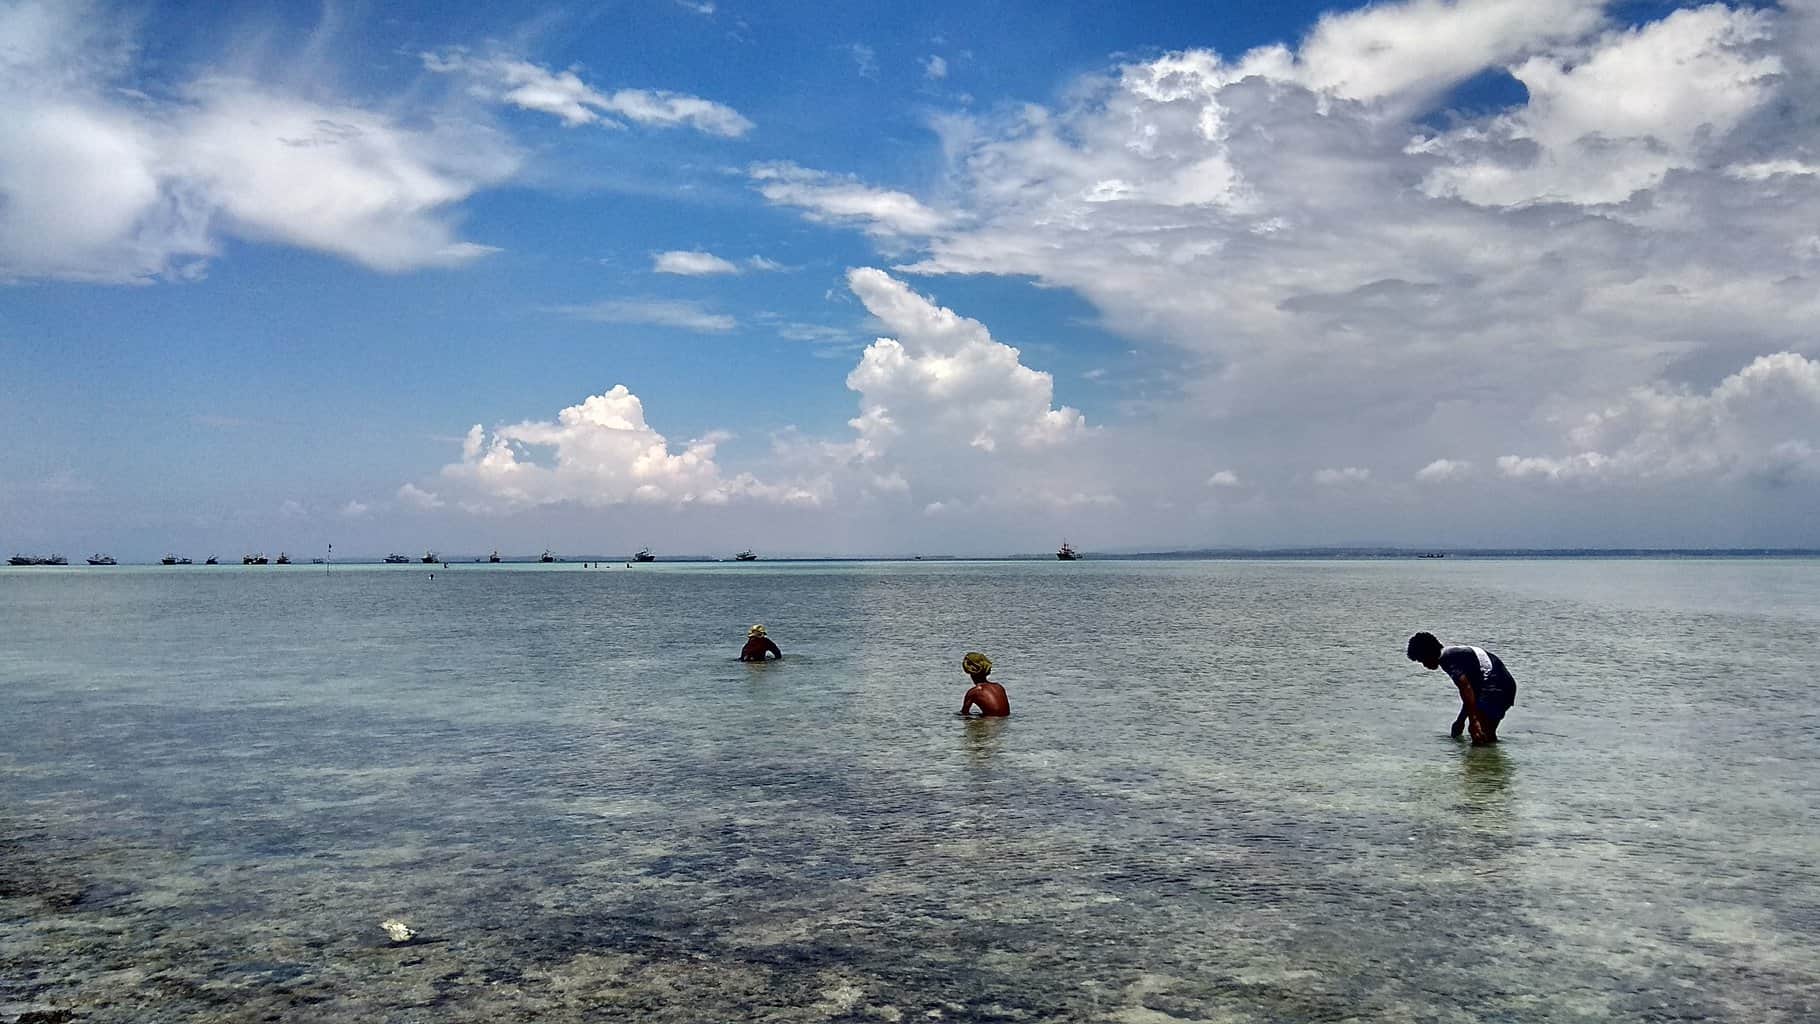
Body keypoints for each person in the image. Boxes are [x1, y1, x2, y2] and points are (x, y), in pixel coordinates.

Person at [1406, 631, 1517, 744]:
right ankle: (1488, 758)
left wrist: (1473, 721)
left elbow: (1466, 689)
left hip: (1496, 687)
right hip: (1505, 686)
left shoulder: (1447, 659)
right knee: (1487, 735)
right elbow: (1472, 693)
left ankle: (1480, 758)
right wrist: (1461, 721)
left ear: (1429, 654)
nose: (1425, 665)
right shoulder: (1455, 654)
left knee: (1478, 733)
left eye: (1423, 660)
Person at [958, 652, 1009, 717]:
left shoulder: (974, 692)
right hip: (1004, 723)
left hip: (990, 723)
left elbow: (964, 714)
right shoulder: (999, 687)